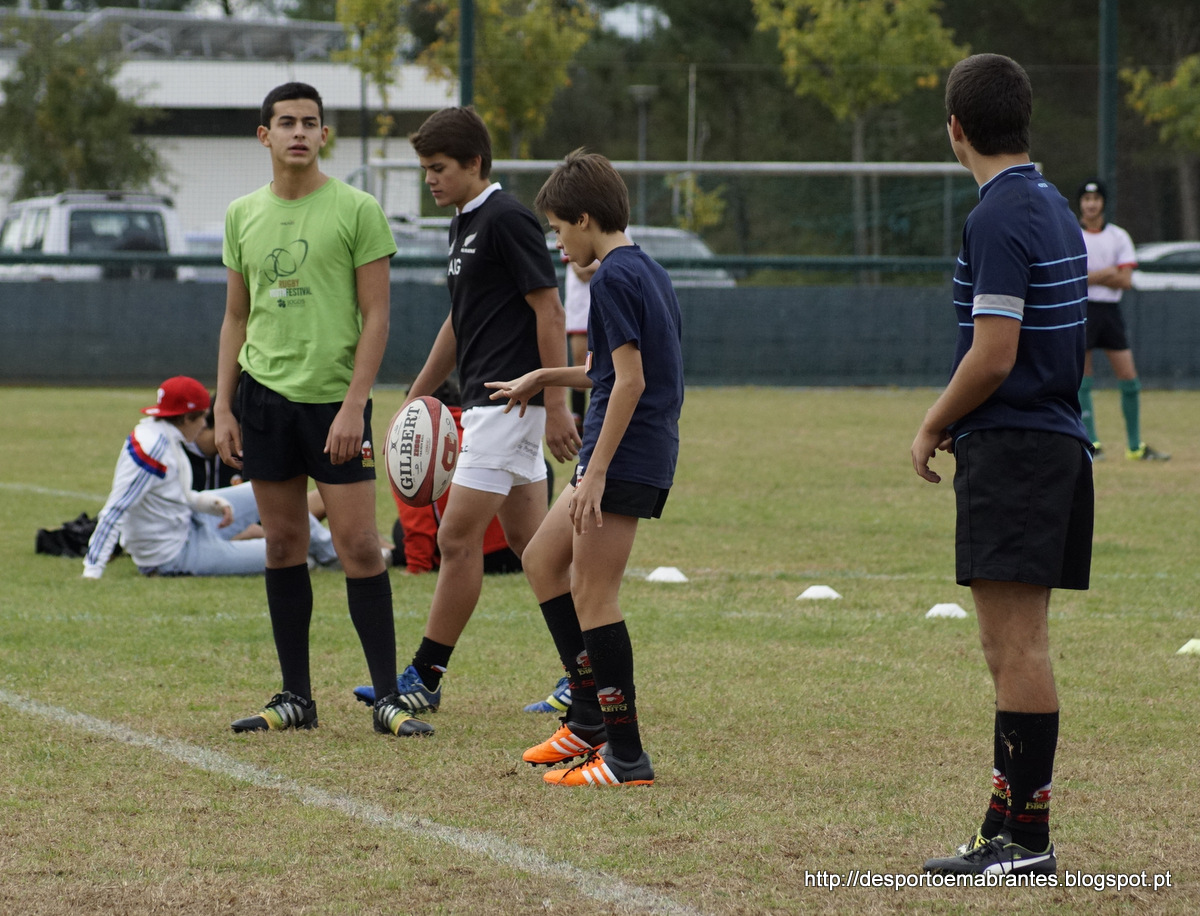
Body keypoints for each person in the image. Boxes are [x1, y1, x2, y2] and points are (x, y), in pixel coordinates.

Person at [911, 54, 1093, 874]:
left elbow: (993, 353)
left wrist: (932, 423)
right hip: (1049, 440)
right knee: (1016, 646)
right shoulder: (1054, 205)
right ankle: (1007, 830)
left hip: (1018, 448)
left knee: (1015, 647)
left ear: (956, 129)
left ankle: (1025, 841)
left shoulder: (995, 215)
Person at [213, 81, 430, 739]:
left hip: (335, 404)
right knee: (283, 542)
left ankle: (389, 697)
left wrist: (353, 404)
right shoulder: (241, 213)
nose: (299, 132)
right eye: (286, 122)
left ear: (324, 134)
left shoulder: (357, 209)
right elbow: (234, 316)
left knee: (360, 545)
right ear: (265, 136)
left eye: (310, 122)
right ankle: (296, 698)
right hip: (264, 399)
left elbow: (378, 315)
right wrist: (223, 405)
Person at [352, 106, 579, 721]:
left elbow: (549, 311)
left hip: (508, 404)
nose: (430, 179)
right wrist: (417, 394)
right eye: (425, 168)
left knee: (455, 539)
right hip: (485, 407)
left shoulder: (507, 219)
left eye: (439, 168)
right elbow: (460, 321)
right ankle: (585, 673)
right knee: (536, 548)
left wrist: (555, 403)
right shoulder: (463, 223)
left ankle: (425, 676)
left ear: (475, 163)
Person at [487, 149, 684, 788]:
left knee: (594, 594)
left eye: (558, 228)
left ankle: (625, 755)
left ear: (585, 217)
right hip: (618, 448)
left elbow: (629, 382)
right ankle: (588, 720)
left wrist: (594, 472)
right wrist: (545, 375)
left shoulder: (612, 280)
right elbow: (613, 370)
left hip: (621, 455)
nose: (556, 240)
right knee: (543, 561)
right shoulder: (643, 269)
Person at [82, 376, 338, 579]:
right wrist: (92, 571)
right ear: (185, 418)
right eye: (203, 417)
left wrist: (212, 505)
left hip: (189, 523)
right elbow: (116, 509)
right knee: (290, 554)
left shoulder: (164, 437)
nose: (205, 425)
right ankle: (328, 556)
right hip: (174, 553)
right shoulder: (152, 449)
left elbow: (179, 496)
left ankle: (336, 555)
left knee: (260, 490)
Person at [1076, 178, 1169, 461]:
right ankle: (1091, 443)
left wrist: (1091, 275)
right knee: (1083, 380)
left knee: (1129, 379)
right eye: (1086, 199)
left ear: (1103, 203)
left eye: (1096, 199)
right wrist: (1108, 273)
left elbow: (1126, 280)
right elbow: (1072, 279)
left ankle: (1134, 446)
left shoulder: (1118, 236)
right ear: (1080, 203)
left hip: (1109, 314)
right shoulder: (1071, 234)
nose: (1091, 204)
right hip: (1082, 310)